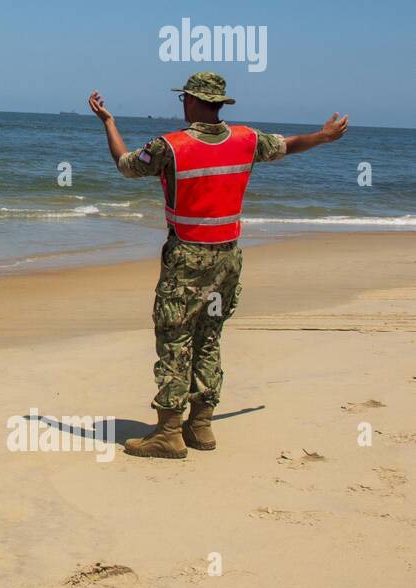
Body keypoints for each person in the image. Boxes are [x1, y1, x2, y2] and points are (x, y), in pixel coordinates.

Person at [88, 72, 348, 459]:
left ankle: (169, 432)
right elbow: (289, 145)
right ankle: (202, 425)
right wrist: (323, 136)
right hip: (227, 258)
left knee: (175, 339)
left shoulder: (169, 147)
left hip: (187, 259)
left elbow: (126, 164)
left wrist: (108, 122)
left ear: (190, 101)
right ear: (220, 104)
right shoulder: (247, 140)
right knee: (209, 336)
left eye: (184, 99)